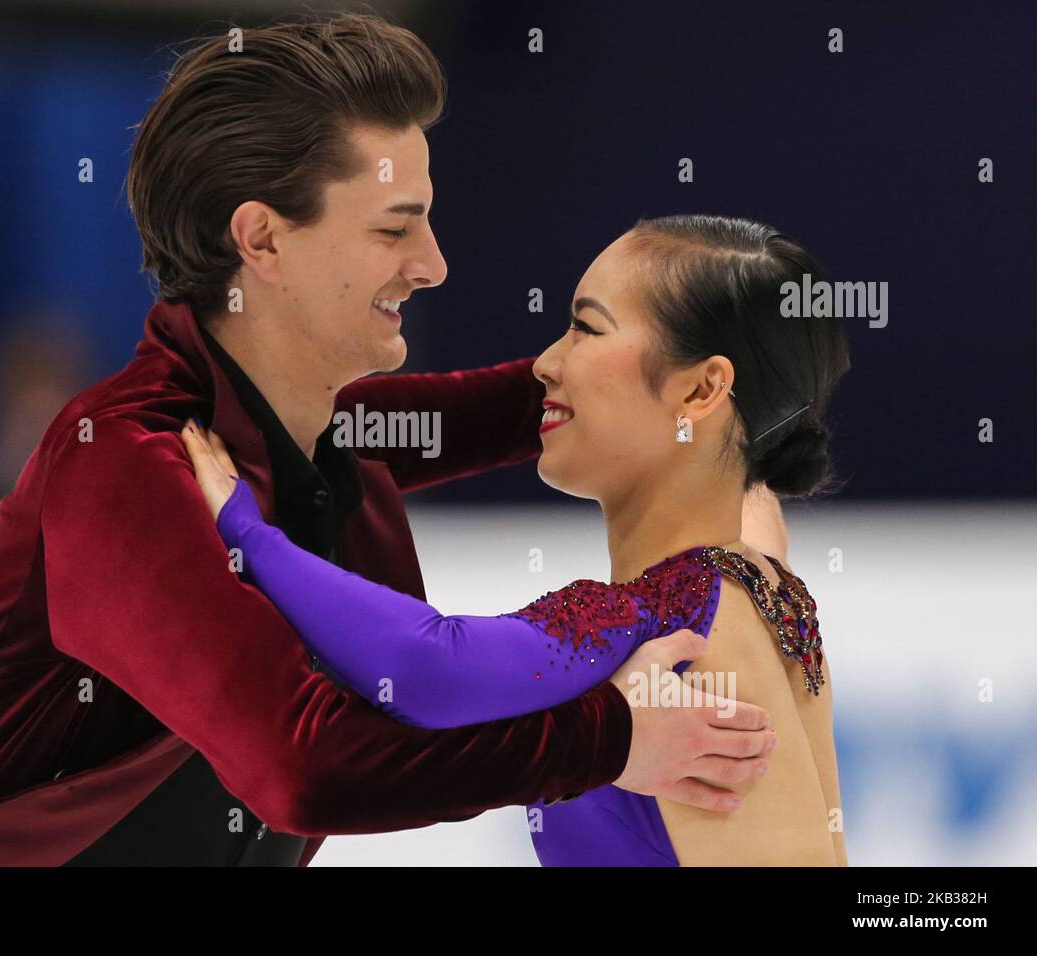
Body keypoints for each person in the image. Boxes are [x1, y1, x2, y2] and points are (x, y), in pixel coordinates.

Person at [0, 15, 776, 868]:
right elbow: (303, 767)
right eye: (392, 228)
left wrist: (741, 370)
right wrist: (608, 739)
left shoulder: (330, 436)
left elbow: (551, 399)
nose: (433, 264)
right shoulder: (122, 463)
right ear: (260, 240)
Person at [181, 214, 851, 865]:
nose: (545, 364)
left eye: (586, 328)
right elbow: (750, 477)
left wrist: (249, 536)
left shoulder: (671, 620)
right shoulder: (762, 582)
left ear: (703, 388)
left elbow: (423, 666)